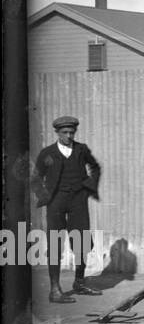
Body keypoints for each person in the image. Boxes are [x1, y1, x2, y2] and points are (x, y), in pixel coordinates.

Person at [32, 115, 102, 303]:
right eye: (65, 133)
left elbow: (95, 167)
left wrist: (88, 188)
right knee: (54, 242)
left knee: (82, 241)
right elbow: (36, 178)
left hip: (78, 200)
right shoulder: (47, 153)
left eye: (72, 132)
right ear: (57, 133)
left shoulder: (81, 150)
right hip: (56, 202)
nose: (69, 136)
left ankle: (79, 282)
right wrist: (46, 196)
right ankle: (55, 289)